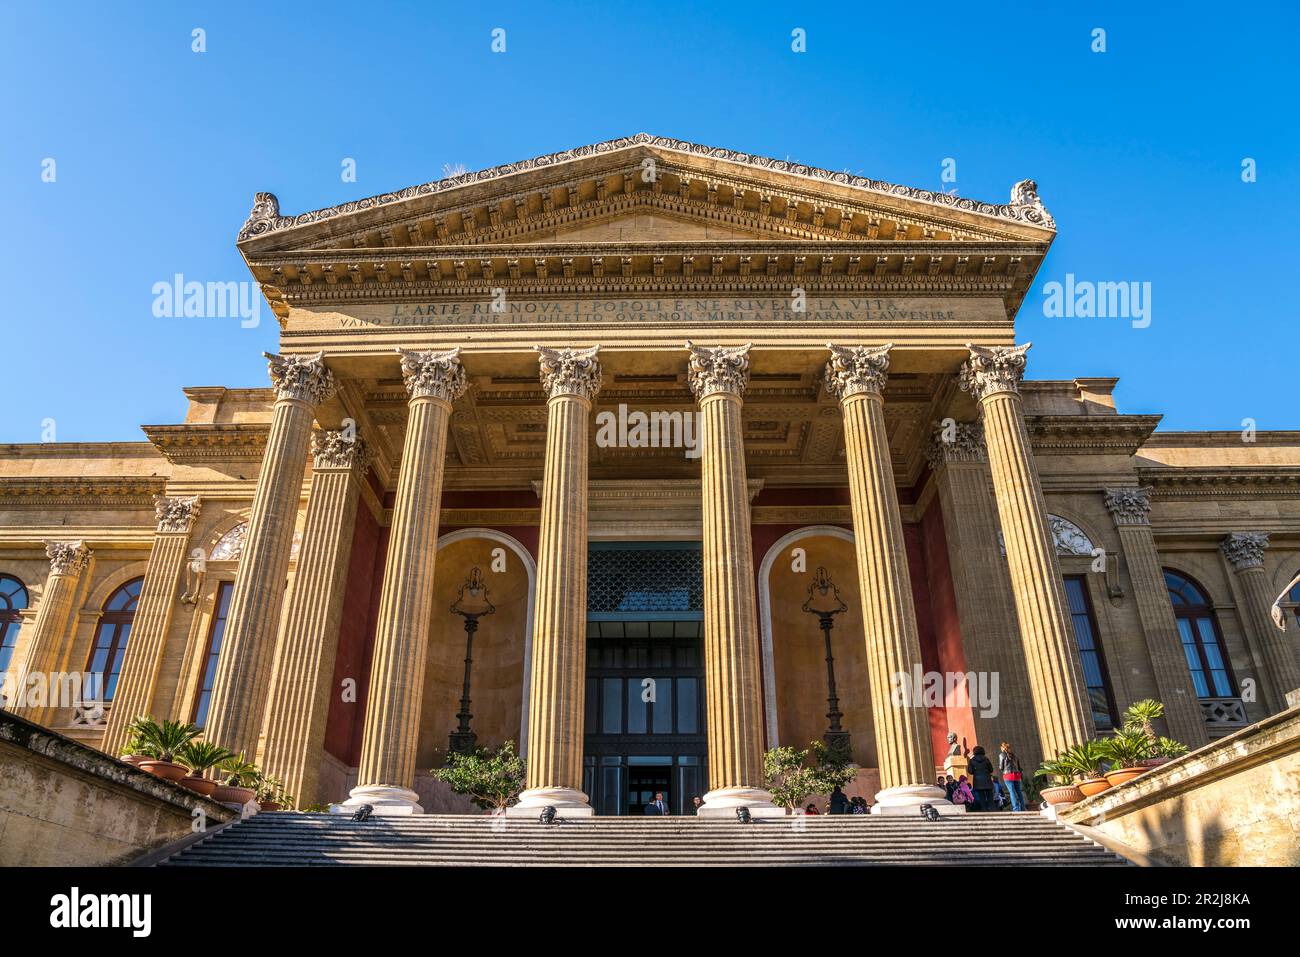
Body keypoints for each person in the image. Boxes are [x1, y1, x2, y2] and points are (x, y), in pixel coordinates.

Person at [998, 741, 1026, 812]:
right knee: (1019, 791)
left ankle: (1016, 809)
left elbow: (1001, 767)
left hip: (1008, 775)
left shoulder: (1002, 755)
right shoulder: (1015, 755)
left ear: (1002, 748)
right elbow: (1019, 767)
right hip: (1017, 775)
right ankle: (1023, 808)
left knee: (1012, 792)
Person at [966, 745, 996, 812]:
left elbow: (970, 771)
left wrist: (975, 771)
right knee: (990, 796)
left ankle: (984, 809)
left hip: (978, 780)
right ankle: (992, 809)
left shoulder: (972, 760)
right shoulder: (986, 759)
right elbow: (991, 770)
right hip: (987, 779)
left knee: (981, 796)